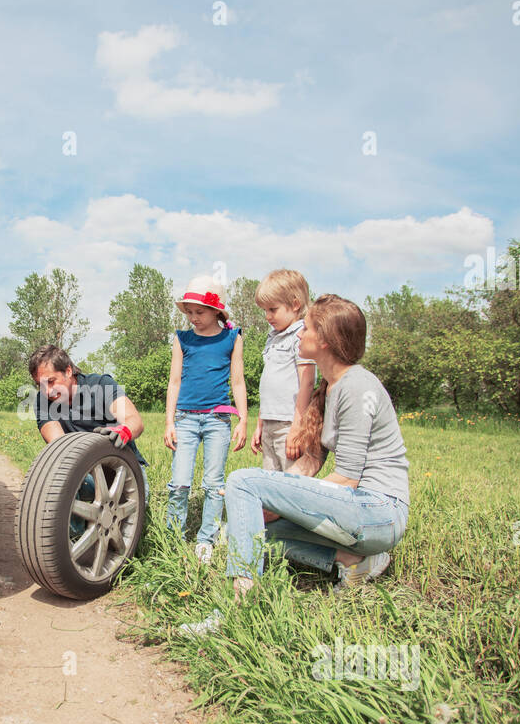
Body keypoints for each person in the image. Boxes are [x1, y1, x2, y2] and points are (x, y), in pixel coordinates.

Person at [181, 294, 410, 635]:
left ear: (327, 340)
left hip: (379, 511)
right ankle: (353, 561)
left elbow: (347, 480)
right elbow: (310, 464)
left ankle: (238, 610)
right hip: (356, 515)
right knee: (255, 531)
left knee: (244, 480)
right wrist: (273, 504)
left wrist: (279, 501)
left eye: (309, 327)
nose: (300, 333)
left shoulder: (358, 385)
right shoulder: (330, 389)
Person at [163, 276, 248, 563]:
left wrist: (244, 420)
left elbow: (238, 382)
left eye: (199, 312)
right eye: (189, 312)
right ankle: (173, 536)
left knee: (214, 484)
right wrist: (169, 422)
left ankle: (206, 539)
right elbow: (174, 381)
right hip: (185, 419)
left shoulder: (232, 339)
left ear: (216, 312)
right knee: (180, 482)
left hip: (217, 421)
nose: (193, 318)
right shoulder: (182, 338)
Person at [28, 344, 149, 502]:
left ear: (68, 371)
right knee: (52, 478)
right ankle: (73, 526)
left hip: (124, 470)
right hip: (84, 471)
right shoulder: (42, 401)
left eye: (51, 381)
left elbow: (135, 421)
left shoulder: (101, 385)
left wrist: (125, 431)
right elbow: (59, 445)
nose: (47, 391)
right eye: (40, 385)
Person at [251, 269, 321, 477]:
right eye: (264, 310)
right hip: (270, 423)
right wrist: (260, 424)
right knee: (271, 484)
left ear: (295, 304)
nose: (267, 316)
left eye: (273, 309)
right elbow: (268, 386)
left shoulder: (301, 336)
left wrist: (297, 427)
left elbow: (307, 383)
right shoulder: (273, 338)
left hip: (289, 423)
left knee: (291, 484)